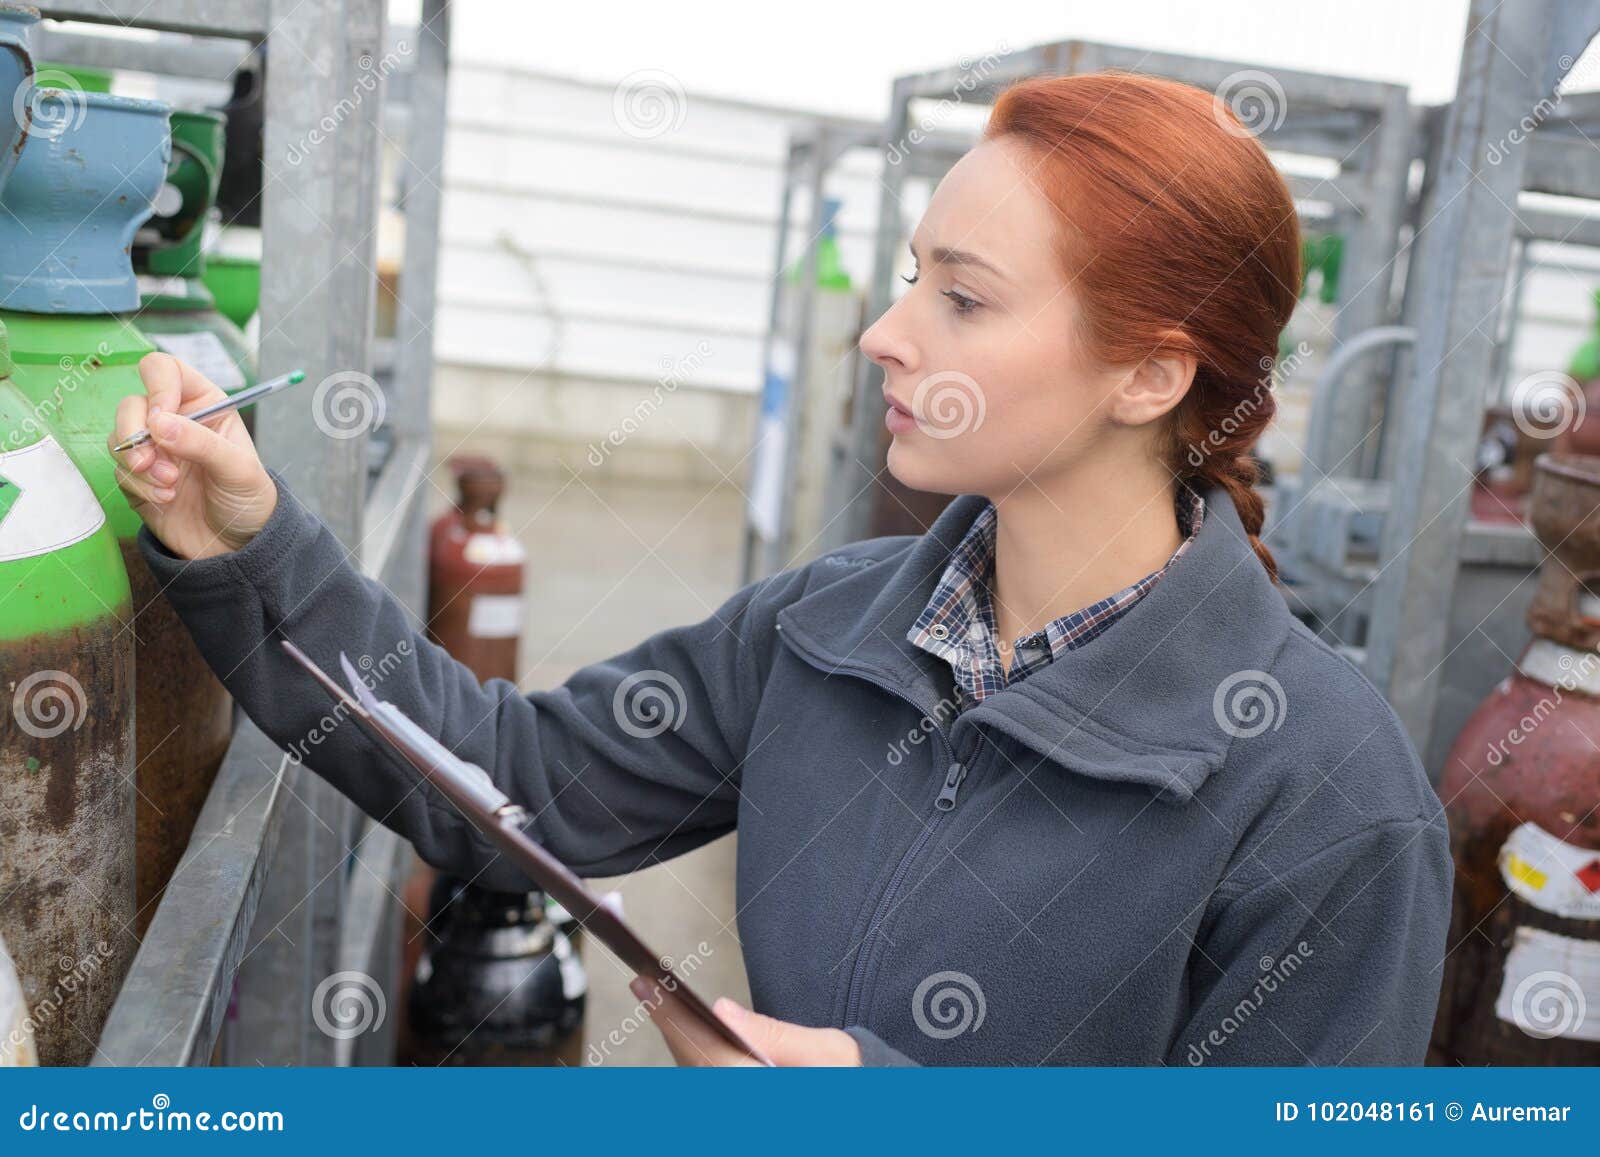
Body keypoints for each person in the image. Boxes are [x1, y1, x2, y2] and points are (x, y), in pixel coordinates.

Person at [112, 70, 1452, 1067]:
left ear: (1155, 372)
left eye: (963, 299)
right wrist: (254, 538)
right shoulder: (833, 625)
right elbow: (508, 784)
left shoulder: (1327, 795)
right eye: (911, 278)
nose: (881, 332)